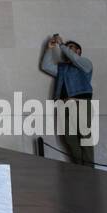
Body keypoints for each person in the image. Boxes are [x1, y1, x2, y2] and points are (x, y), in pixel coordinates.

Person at [40, 34, 95, 166]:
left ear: (78, 51)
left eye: (72, 48)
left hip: (80, 104)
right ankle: (81, 169)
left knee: (84, 137)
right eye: (67, 47)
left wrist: (62, 45)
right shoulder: (62, 68)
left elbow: (74, 58)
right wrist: (49, 49)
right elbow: (46, 66)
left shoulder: (85, 64)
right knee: (70, 140)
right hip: (63, 106)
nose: (67, 50)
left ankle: (90, 170)